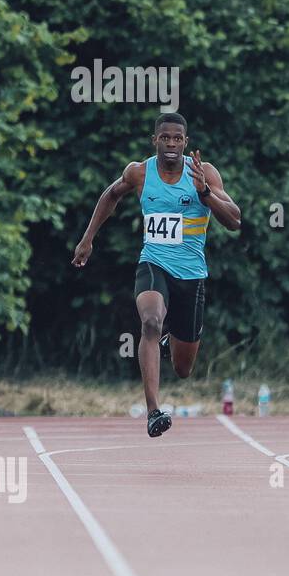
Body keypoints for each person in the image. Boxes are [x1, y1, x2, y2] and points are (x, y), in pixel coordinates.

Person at [72, 113, 241, 437]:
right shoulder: (138, 172)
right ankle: (153, 411)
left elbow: (234, 221)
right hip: (153, 264)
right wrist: (87, 239)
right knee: (150, 322)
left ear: (186, 142)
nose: (172, 144)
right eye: (165, 138)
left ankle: (166, 342)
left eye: (178, 138)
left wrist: (205, 193)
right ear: (155, 141)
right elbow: (110, 195)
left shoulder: (203, 173)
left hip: (191, 276)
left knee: (182, 368)